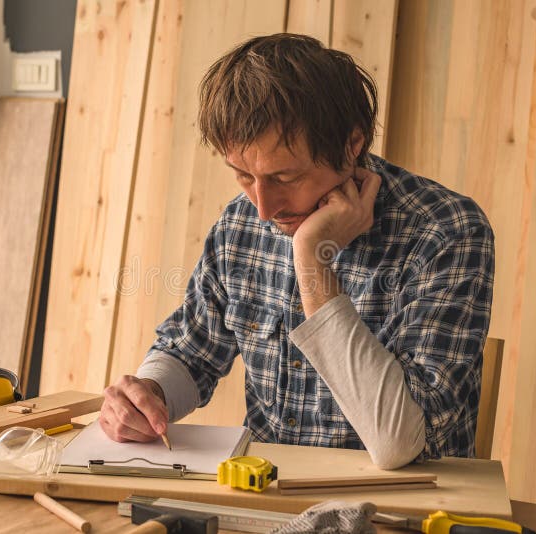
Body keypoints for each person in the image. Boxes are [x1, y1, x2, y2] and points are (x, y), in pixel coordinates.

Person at [99, 33, 494, 468]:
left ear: (352, 145)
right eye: (244, 176)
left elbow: (399, 442)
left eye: (285, 178)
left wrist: (312, 258)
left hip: (405, 507)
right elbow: (190, 350)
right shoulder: (240, 222)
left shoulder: (447, 233)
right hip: (270, 496)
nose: (264, 208)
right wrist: (147, 395)